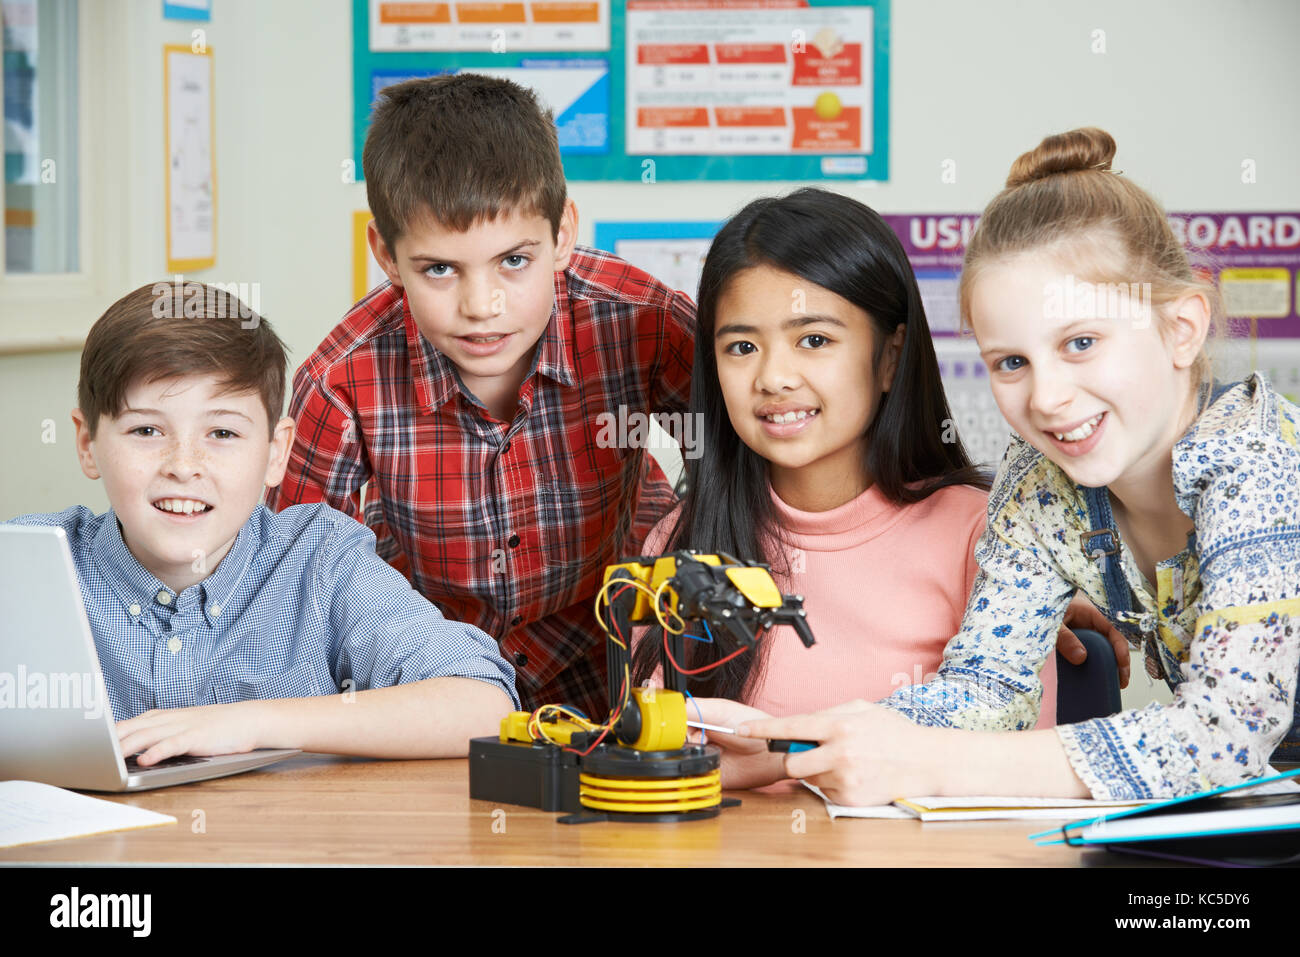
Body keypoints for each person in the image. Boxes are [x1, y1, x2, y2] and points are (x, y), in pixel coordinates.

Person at [734, 129, 1300, 804]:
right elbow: (987, 689)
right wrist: (790, 744)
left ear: (1181, 328)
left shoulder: (1259, 462)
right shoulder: (1042, 486)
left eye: (1081, 342)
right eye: (1011, 362)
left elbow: (1224, 739)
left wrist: (933, 762)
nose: (1046, 396)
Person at [631, 188, 1121, 789]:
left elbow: (1004, 779)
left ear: (889, 358)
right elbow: (656, 767)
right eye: (742, 346)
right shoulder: (678, 543)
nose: (774, 377)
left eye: (814, 339)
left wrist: (783, 761)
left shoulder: (991, 540)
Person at [266, 74, 694, 722]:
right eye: (440, 269)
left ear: (562, 234)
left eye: (513, 262)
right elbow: (292, 587)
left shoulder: (642, 320)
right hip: (435, 690)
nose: (481, 306)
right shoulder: (340, 383)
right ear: (386, 254)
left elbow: (754, 460)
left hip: (613, 674)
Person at [6, 282, 518, 766]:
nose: (184, 465)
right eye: (146, 430)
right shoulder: (31, 564)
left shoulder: (320, 560)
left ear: (276, 454)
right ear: (87, 443)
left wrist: (251, 722)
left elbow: (482, 705)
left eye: (222, 432)